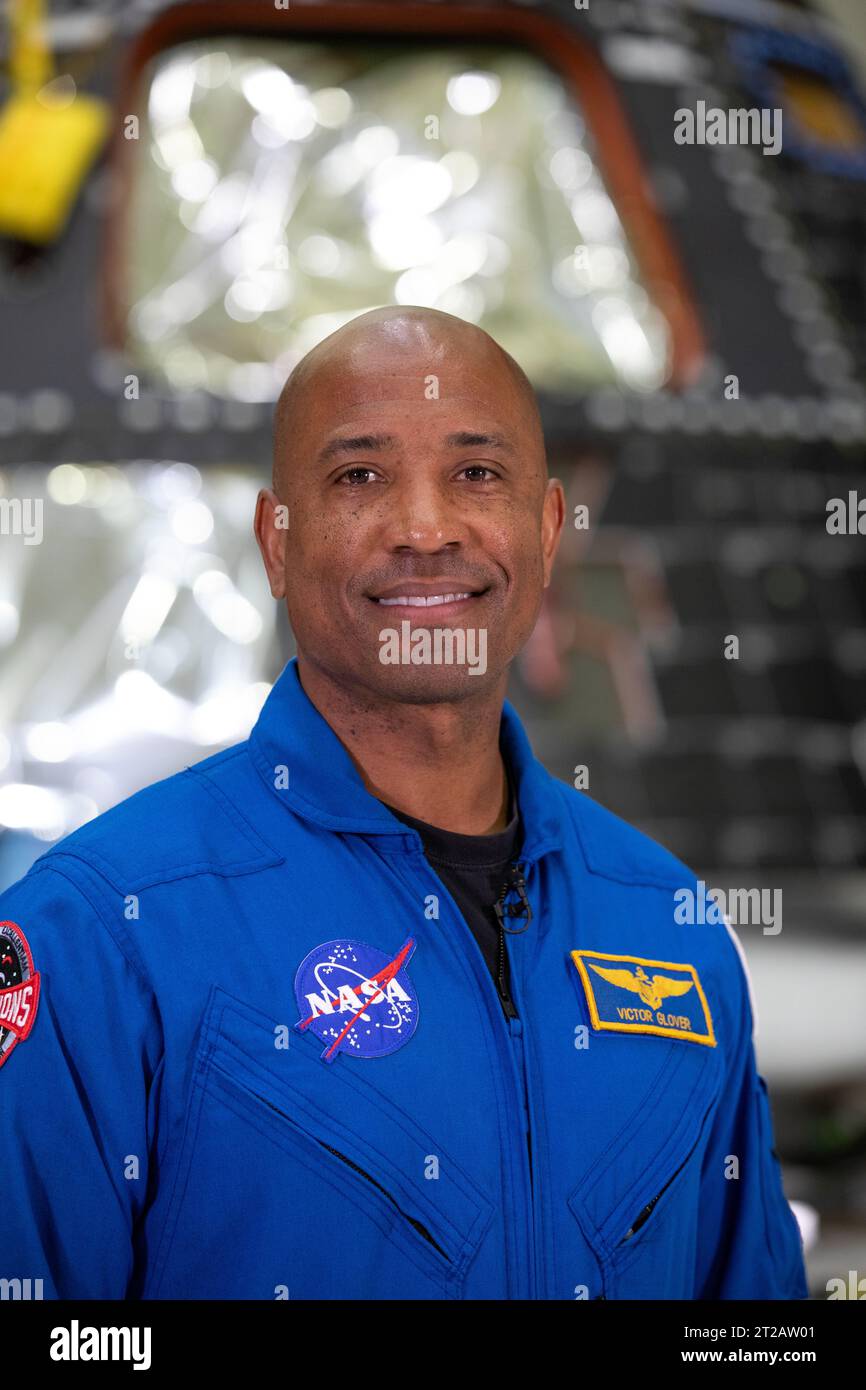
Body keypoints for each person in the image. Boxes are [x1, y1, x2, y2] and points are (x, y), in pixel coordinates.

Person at [0, 307, 808, 1299]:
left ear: (546, 531)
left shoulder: (667, 922)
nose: (425, 528)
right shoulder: (98, 930)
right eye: (358, 477)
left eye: (476, 474)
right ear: (276, 543)